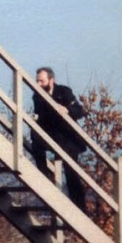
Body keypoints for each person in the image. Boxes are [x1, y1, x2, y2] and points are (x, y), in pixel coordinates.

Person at [30, 67, 89, 210]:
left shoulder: (64, 92)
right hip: (52, 136)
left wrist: (67, 110)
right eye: (37, 81)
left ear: (51, 80)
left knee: (72, 175)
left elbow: (80, 111)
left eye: (42, 81)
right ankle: (44, 174)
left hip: (68, 138)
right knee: (35, 139)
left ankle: (80, 210)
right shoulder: (37, 96)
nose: (38, 84)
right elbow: (42, 117)